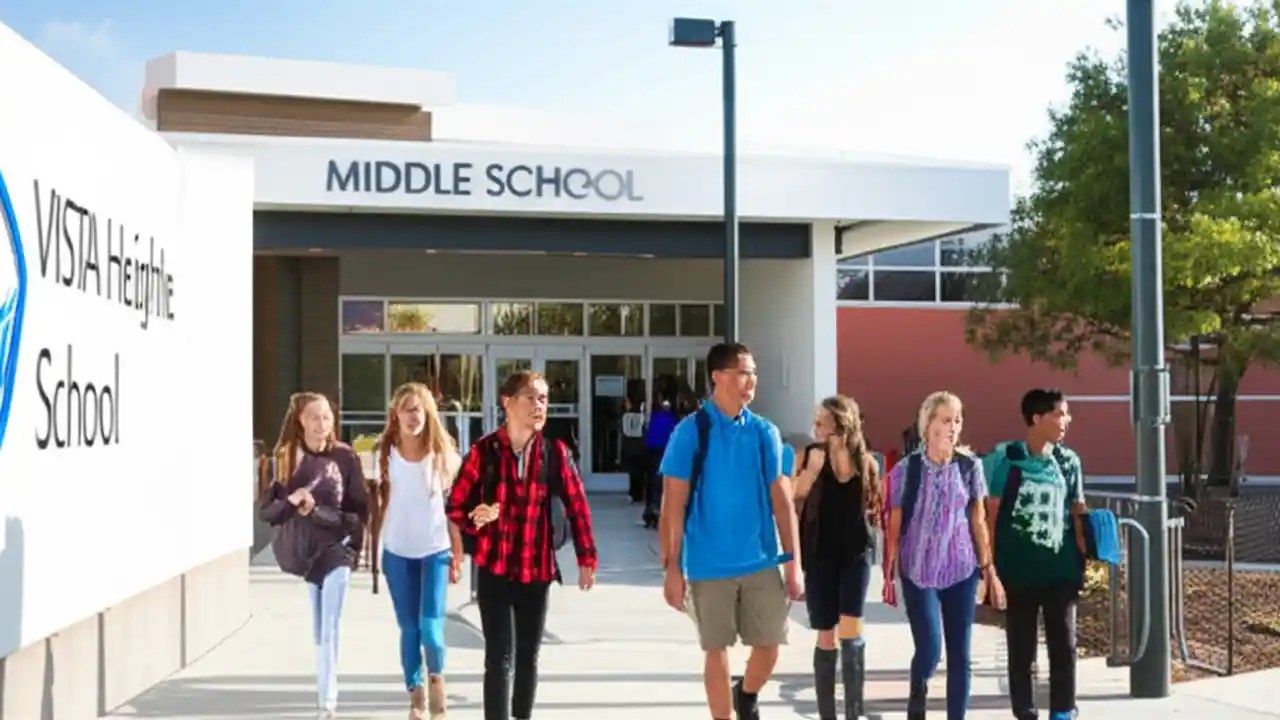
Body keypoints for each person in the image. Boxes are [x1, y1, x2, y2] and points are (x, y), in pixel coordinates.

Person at [658, 342, 803, 720]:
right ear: (717, 377)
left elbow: (782, 501)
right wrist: (671, 567)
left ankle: (747, 693)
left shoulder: (764, 433)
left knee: (770, 645)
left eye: (753, 372)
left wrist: (794, 564)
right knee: (716, 648)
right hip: (707, 563)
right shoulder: (691, 433)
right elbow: (672, 506)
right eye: (742, 372)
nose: (750, 381)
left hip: (759, 560)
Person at [445, 370, 599, 720]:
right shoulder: (483, 452)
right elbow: (455, 506)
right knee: (499, 657)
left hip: (537, 568)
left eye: (544, 398)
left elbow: (577, 506)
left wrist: (587, 557)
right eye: (530, 397)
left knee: (528, 655)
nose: (539, 405)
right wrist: (475, 517)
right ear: (507, 402)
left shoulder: (555, 453)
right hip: (494, 568)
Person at [884, 391, 1005, 720]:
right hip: (918, 570)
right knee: (930, 650)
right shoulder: (905, 471)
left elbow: (978, 521)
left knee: (960, 657)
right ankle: (918, 691)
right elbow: (893, 524)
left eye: (957, 420)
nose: (953, 427)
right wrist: (888, 574)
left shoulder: (969, 467)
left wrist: (988, 571)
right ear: (928, 425)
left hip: (961, 569)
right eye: (946, 420)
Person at [258, 392, 368, 720]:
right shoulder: (285, 458)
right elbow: (267, 513)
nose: (322, 424)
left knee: (330, 623)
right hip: (305, 554)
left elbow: (358, 512)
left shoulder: (345, 458)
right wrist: (292, 501)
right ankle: (324, 695)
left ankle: (328, 703)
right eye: (314, 417)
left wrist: (317, 511)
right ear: (300, 422)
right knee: (319, 626)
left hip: (339, 547)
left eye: (327, 416)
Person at [985, 389, 1086, 720]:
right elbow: (991, 514)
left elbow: (1076, 510)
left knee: (1065, 646)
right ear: (1036, 418)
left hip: (1061, 571)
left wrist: (1086, 554)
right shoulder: (1007, 460)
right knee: (1021, 649)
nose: (1065, 421)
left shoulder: (1069, 461)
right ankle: (1025, 712)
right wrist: (989, 570)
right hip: (1018, 571)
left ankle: (1062, 710)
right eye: (1059, 414)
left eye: (1067, 414)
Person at [369, 382, 464, 719]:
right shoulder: (382, 455)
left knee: (431, 628)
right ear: (395, 414)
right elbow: (369, 504)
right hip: (397, 553)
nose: (413, 415)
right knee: (409, 628)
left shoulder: (443, 457)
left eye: (419, 409)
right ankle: (416, 693)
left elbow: (455, 509)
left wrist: (458, 553)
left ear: (428, 414)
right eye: (407, 409)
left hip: (435, 552)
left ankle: (437, 679)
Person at [793, 395, 883, 720]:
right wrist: (811, 474)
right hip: (819, 554)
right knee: (825, 631)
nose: (815, 428)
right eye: (815, 422)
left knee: (851, 630)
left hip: (855, 553)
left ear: (841, 428)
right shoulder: (809, 456)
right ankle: (827, 714)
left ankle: (853, 713)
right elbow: (793, 495)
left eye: (821, 423)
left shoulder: (866, 462)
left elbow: (874, 508)